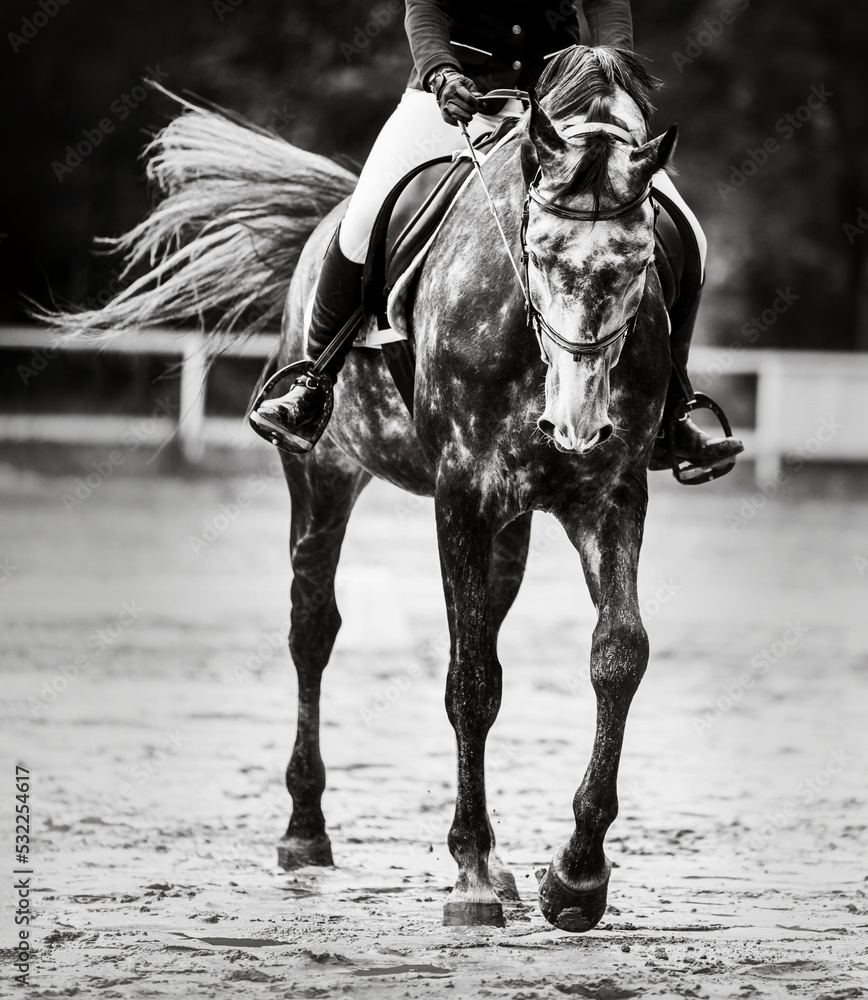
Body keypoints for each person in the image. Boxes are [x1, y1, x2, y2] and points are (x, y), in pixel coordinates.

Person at [251, 0, 743, 474]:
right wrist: (440, 72)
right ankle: (312, 384)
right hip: (452, 103)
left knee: (688, 235)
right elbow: (424, 5)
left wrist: (613, 79)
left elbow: (605, 2)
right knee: (363, 221)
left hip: (560, 111)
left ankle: (672, 416)